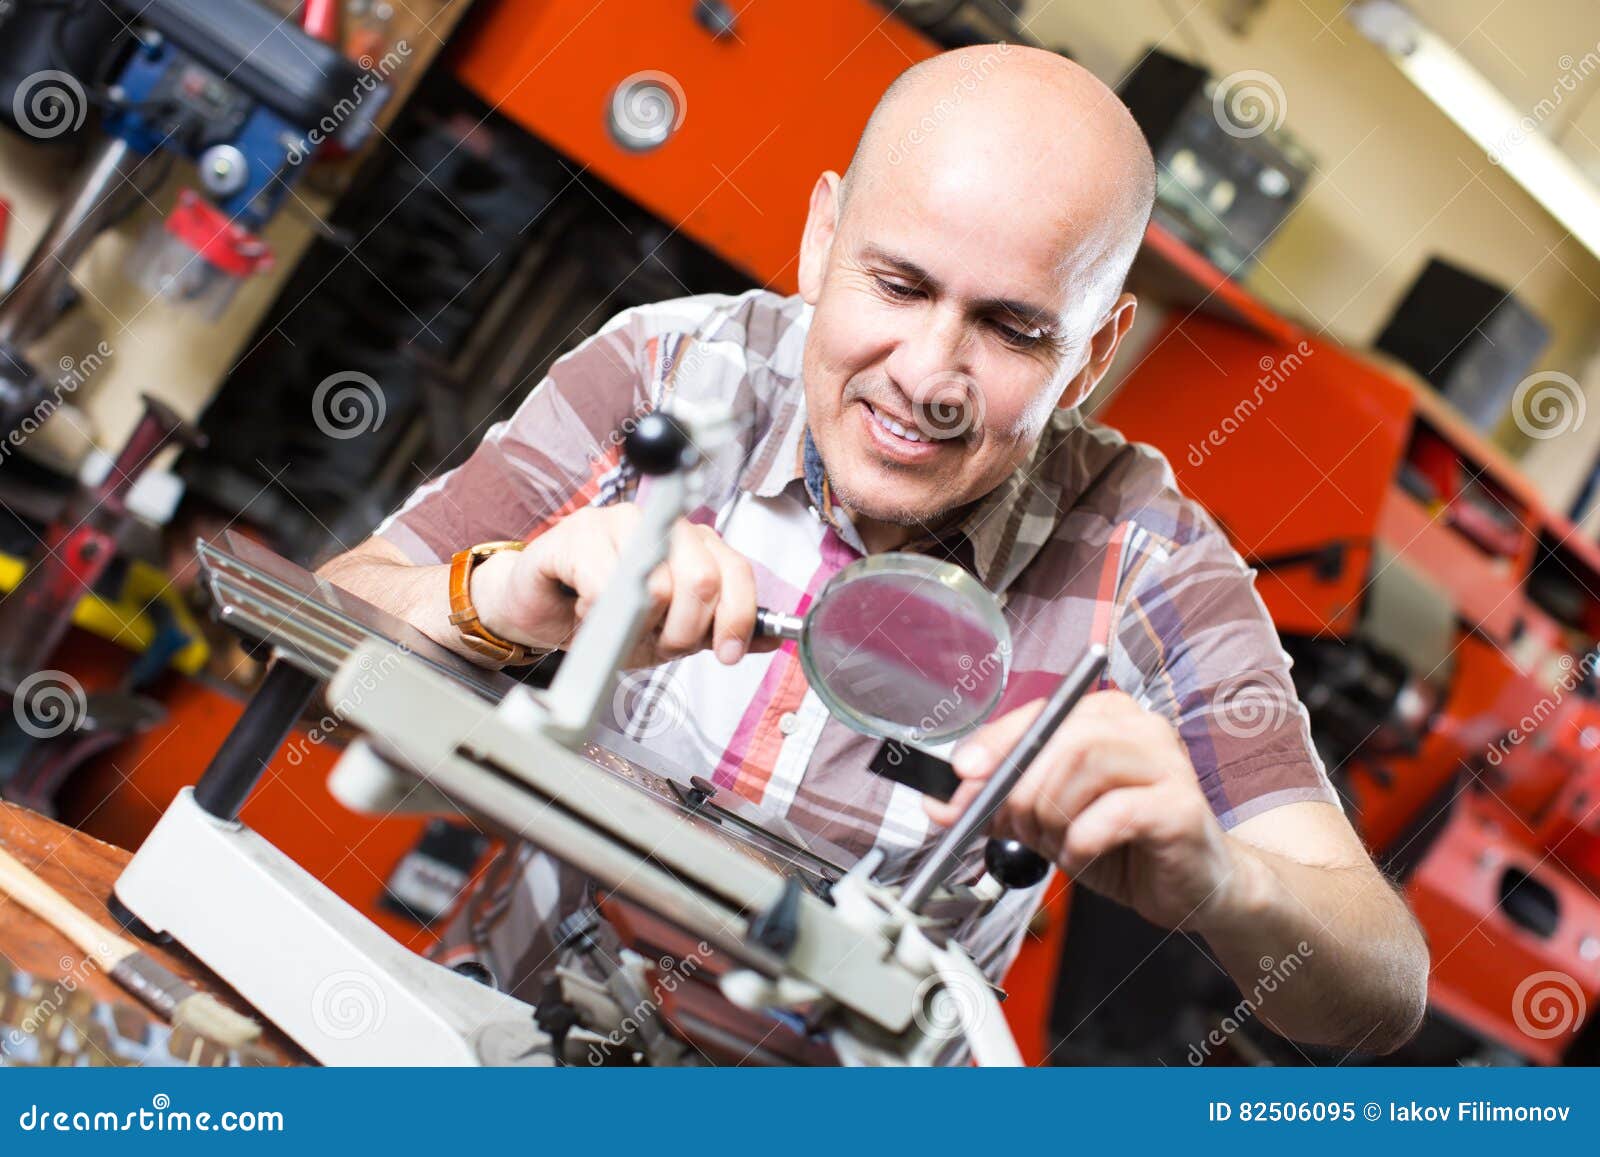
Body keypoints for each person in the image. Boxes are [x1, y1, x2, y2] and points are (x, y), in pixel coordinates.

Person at [320, 45, 1428, 1058]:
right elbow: (318, 638)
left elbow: (1381, 993)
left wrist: (1224, 881)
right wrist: (496, 597)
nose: (926, 374)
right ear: (820, 239)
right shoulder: (667, 372)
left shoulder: (1152, 567)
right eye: (896, 286)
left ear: (1091, 356)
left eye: (1010, 329)